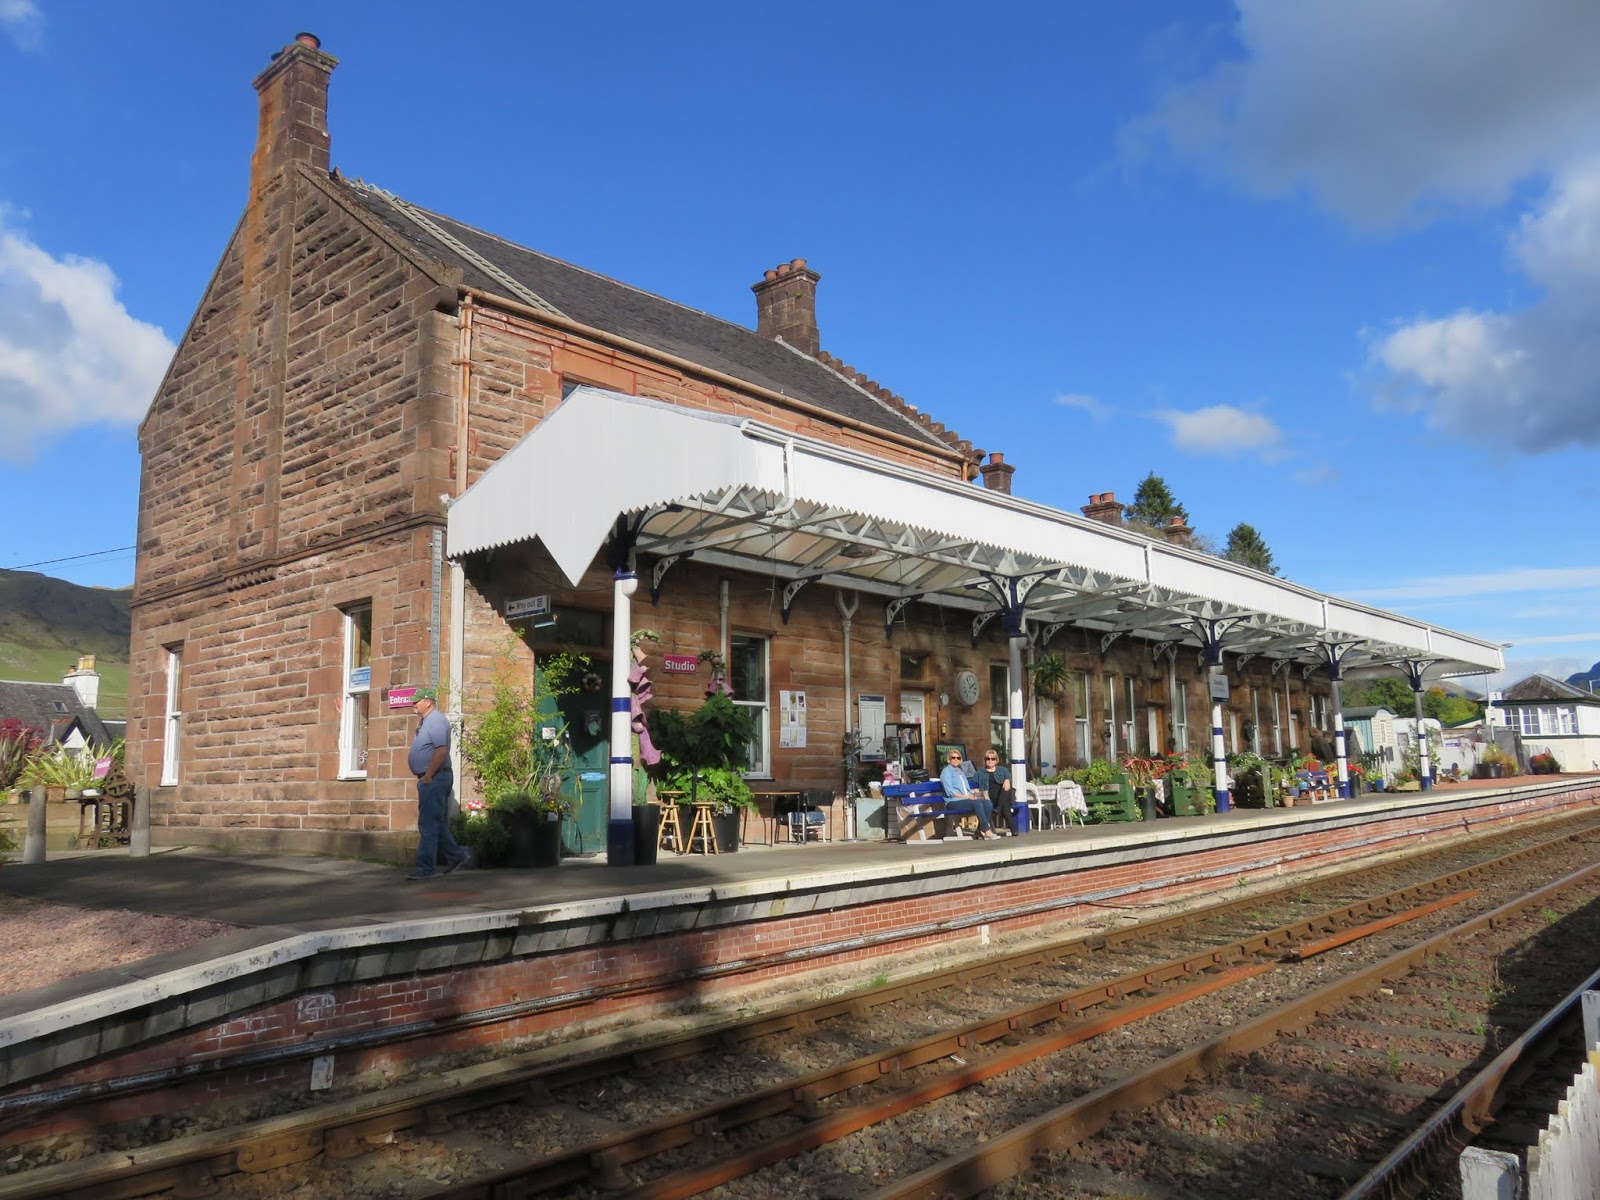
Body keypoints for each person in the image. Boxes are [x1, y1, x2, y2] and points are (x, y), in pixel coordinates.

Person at [406, 686, 470, 880]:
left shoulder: (435, 721)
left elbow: (441, 751)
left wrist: (428, 776)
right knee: (436, 823)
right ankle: (457, 856)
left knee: (428, 824)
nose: (413, 704)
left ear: (428, 702)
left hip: (434, 778)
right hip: (433, 778)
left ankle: (426, 869)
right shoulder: (427, 721)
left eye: (417, 701)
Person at [937, 749, 999, 840]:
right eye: (953, 758)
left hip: (965, 800)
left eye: (958, 758)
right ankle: (987, 830)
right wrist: (967, 797)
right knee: (977, 804)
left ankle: (979, 829)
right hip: (953, 802)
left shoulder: (960, 772)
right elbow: (949, 792)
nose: (955, 759)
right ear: (949, 759)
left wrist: (973, 794)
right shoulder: (946, 772)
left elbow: (967, 789)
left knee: (987, 803)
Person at [973, 749, 1014, 833]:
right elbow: (973, 785)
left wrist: (1006, 780)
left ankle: (998, 808)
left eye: (993, 759)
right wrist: (977, 794)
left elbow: (1008, 781)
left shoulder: (1003, 770)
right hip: (988, 797)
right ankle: (1014, 829)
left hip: (1002, 795)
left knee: (1006, 789)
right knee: (1005, 806)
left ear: (996, 760)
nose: (990, 761)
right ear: (985, 760)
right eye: (988, 759)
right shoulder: (980, 772)